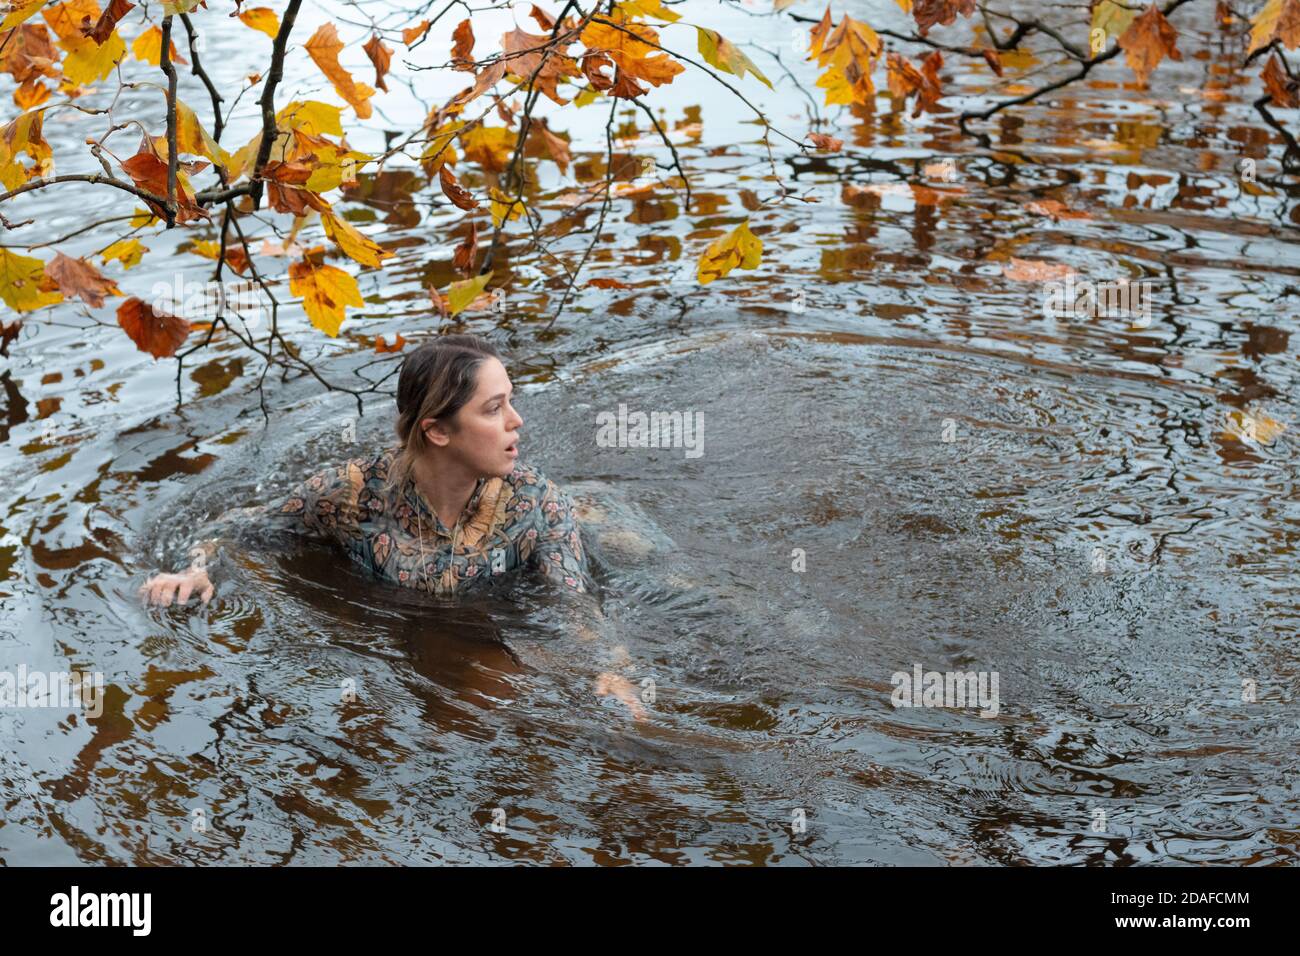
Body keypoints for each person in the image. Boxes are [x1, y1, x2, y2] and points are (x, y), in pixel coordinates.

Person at [139, 334, 645, 719]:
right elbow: (235, 529)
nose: (517, 421)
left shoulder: (537, 502)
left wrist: (610, 669)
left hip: (491, 609)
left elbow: (574, 601)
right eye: (494, 408)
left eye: (510, 401)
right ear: (438, 430)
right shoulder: (350, 495)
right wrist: (198, 570)